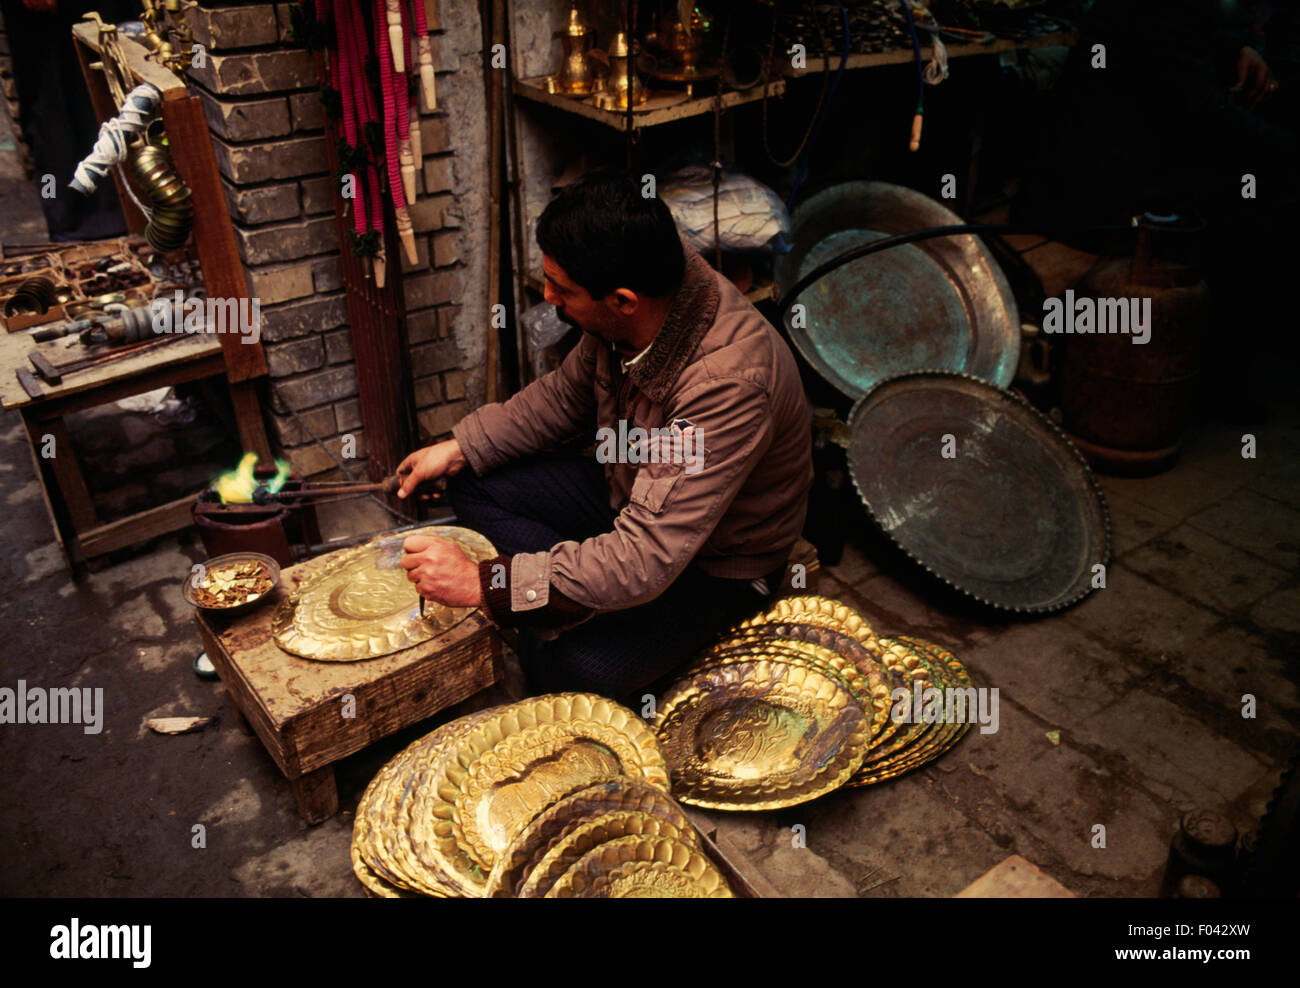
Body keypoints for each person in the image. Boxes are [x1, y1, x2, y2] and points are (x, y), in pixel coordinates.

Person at [396, 169, 813, 703]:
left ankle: (573, 605)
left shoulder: (726, 387)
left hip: (715, 563)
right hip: (631, 494)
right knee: (472, 481)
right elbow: (562, 398)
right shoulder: (633, 310)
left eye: (562, 289)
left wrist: (487, 586)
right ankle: (574, 597)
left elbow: (646, 555)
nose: (548, 298)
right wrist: (458, 446)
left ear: (622, 300)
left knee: (570, 668)